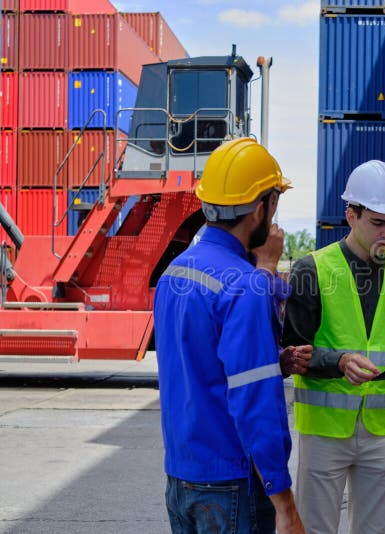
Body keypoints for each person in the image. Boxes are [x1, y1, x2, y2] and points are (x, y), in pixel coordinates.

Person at [153, 137, 308, 534]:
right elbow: (255, 401)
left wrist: (271, 359)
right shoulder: (244, 285)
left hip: (181, 476)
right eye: (275, 206)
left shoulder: (174, 275)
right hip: (231, 483)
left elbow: (201, 366)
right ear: (260, 207)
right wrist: (284, 503)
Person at [281, 160, 385, 534]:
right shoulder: (311, 269)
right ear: (351, 215)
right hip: (324, 430)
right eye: (378, 222)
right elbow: (293, 353)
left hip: (382, 431)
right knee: (315, 529)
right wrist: (340, 361)